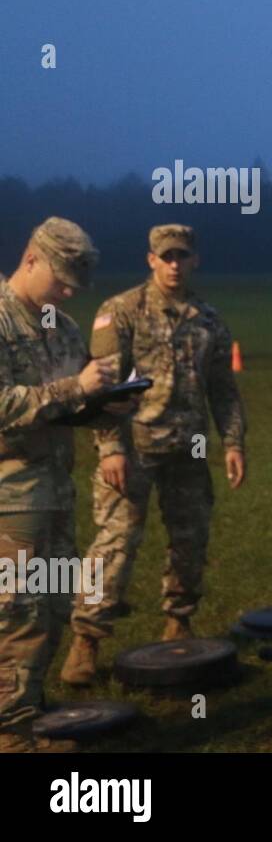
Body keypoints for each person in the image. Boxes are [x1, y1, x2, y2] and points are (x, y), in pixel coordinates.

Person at [62, 225, 247, 686]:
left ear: (194, 260)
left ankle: (179, 622)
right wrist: (109, 449)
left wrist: (234, 442)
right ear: (150, 260)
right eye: (165, 257)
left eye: (182, 256)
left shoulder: (208, 320)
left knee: (190, 541)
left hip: (188, 448)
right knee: (115, 544)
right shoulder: (120, 312)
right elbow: (101, 388)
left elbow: (223, 390)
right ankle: (86, 638)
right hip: (132, 449)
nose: (173, 265)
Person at [0, 218, 113, 751]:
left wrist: (107, 403)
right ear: (30, 259)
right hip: (10, 498)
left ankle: (29, 710)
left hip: (54, 493)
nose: (68, 293)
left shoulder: (63, 328)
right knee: (16, 618)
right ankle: (11, 736)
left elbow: (64, 408)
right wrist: (74, 387)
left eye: (76, 286)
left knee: (50, 609)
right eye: (62, 280)